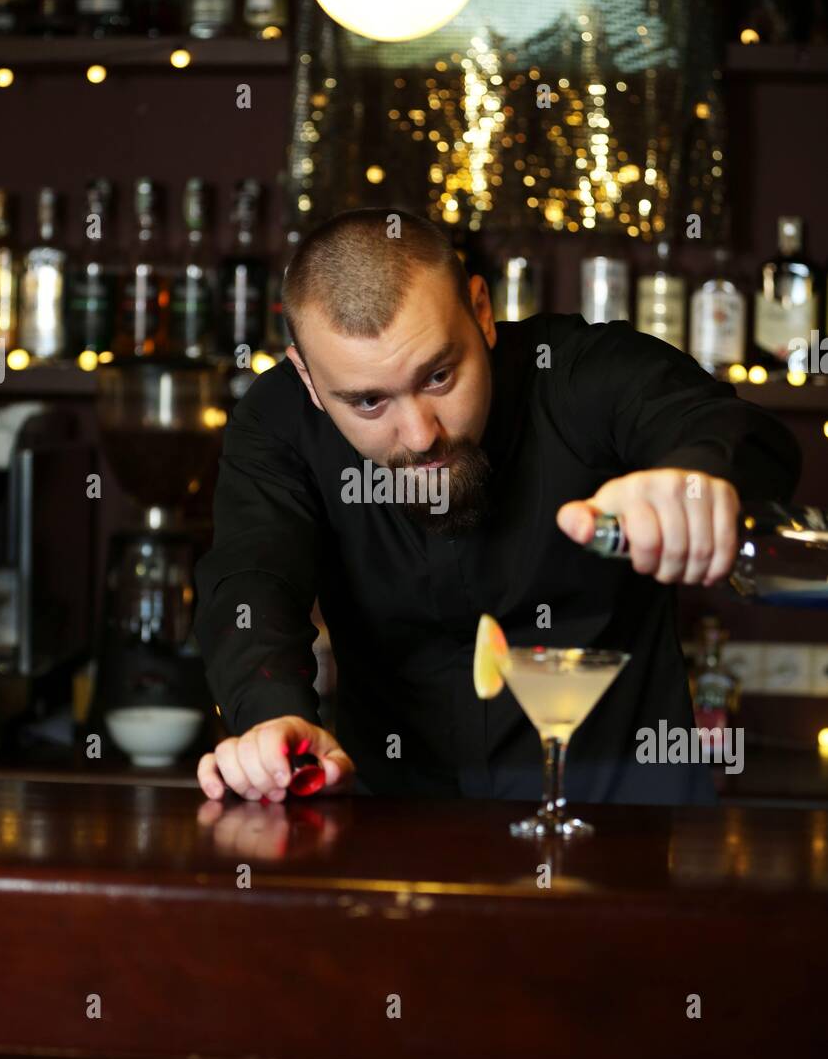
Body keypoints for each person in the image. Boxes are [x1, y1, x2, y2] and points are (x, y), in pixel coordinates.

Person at [194, 208, 799, 806]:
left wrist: (695, 479)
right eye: (370, 403)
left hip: (626, 829)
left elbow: (733, 431)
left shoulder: (583, 372)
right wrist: (272, 720)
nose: (421, 433)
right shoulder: (278, 423)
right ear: (307, 378)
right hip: (395, 835)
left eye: (437, 377)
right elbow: (253, 580)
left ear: (482, 312)